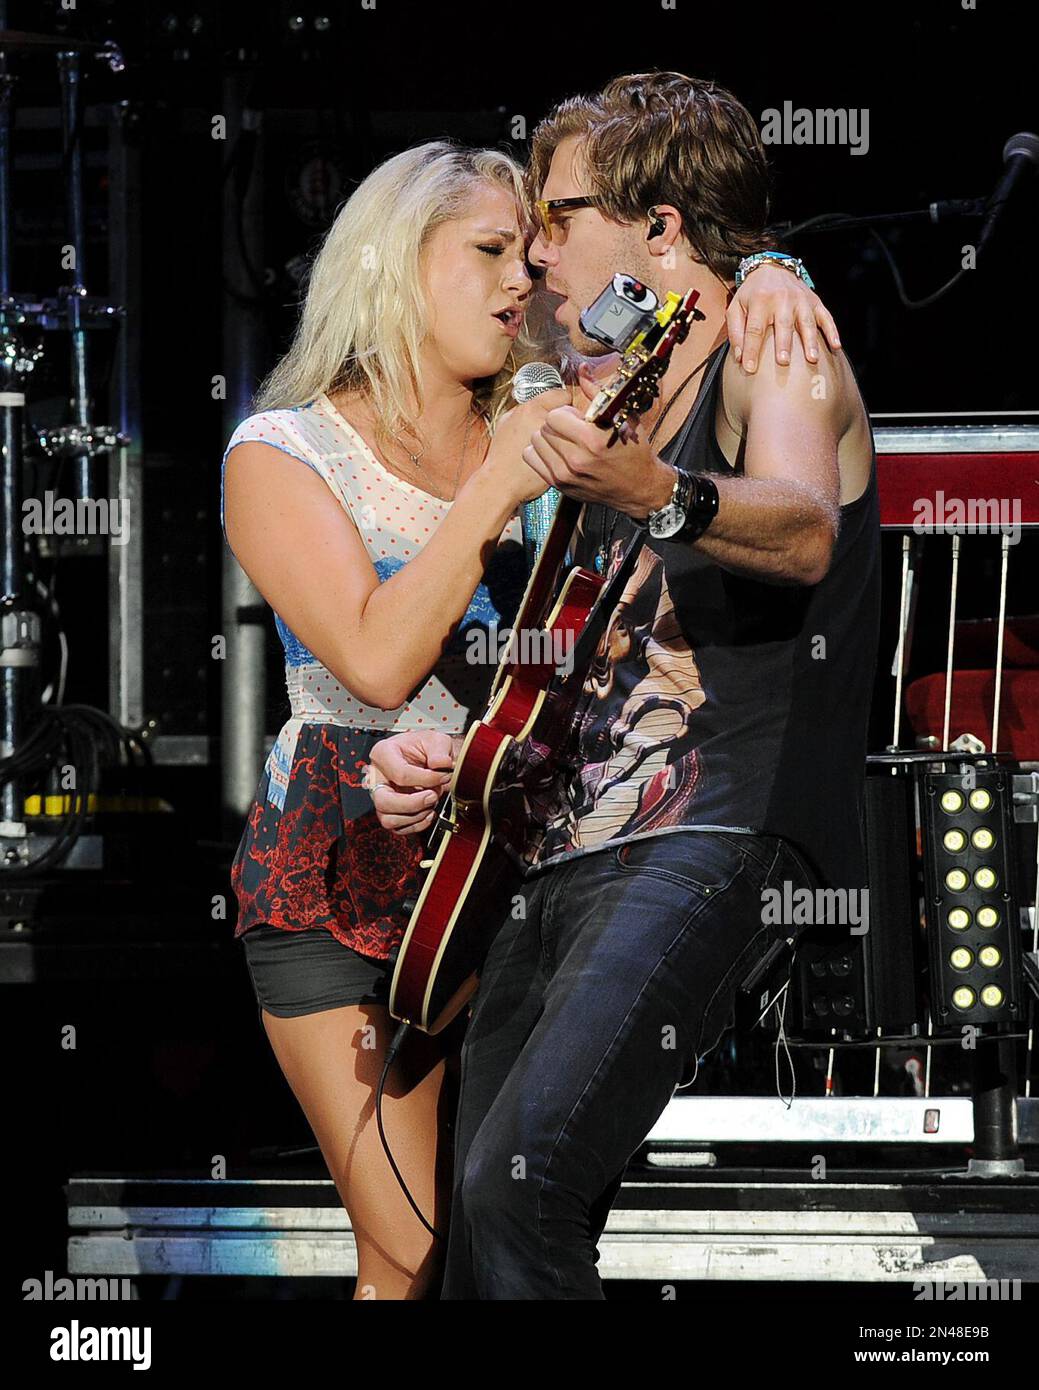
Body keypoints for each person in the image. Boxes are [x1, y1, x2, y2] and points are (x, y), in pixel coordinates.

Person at [221, 133, 838, 1300]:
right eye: (493, 251)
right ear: (397, 265)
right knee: (407, 1248)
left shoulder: (556, 400)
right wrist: (501, 482)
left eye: (535, 251)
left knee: (505, 1213)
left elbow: (680, 301)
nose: (527, 281)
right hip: (347, 858)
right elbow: (376, 654)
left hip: (517, 846)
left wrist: (770, 274)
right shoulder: (282, 448)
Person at [368, 72, 880, 1299]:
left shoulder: (775, 345)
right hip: (563, 844)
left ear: (659, 228)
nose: (539, 254)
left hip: (714, 825)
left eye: (561, 217)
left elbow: (804, 526)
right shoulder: (632, 372)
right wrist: (460, 756)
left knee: (518, 1182)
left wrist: (767, 277)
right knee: (481, 1224)